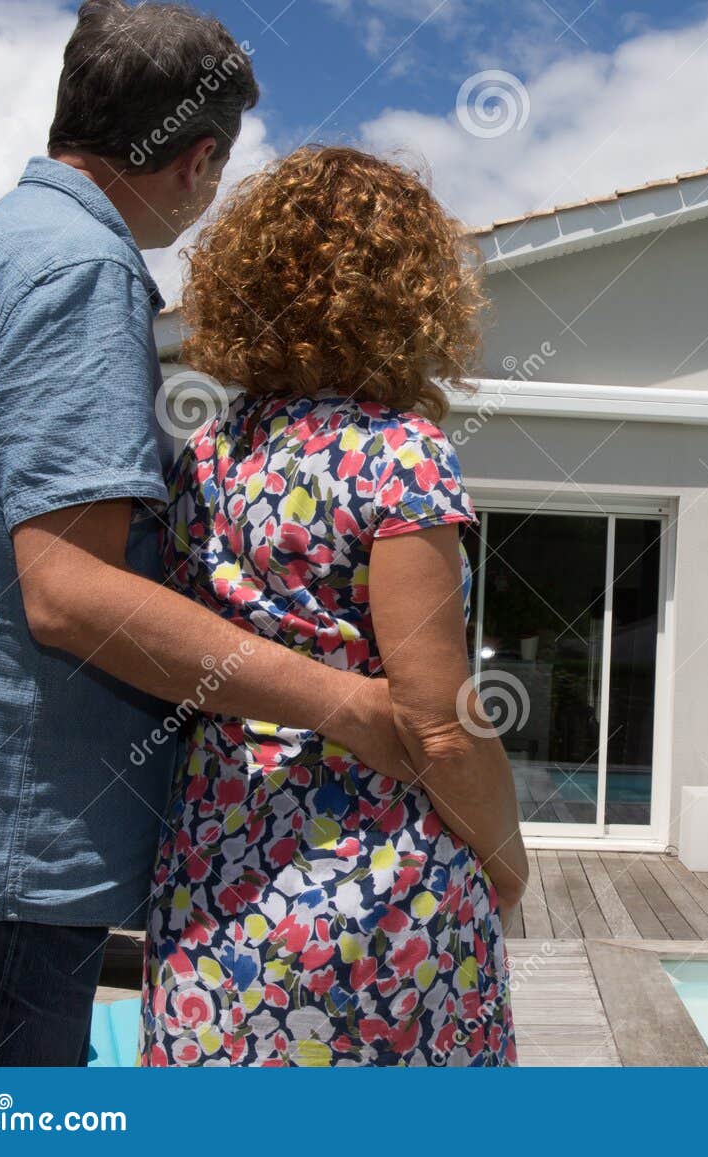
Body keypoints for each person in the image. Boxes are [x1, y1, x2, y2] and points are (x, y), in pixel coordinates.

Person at [0, 1, 414, 1066]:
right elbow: (69, 592)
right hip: (9, 840)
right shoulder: (82, 269)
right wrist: (347, 703)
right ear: (198, 158)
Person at [140, 145, 526, 1067]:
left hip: (215, 879)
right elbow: (437, 721)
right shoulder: (401, 454)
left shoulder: (206, 458)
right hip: (378, 902)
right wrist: (509, 859)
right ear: (413, 295)